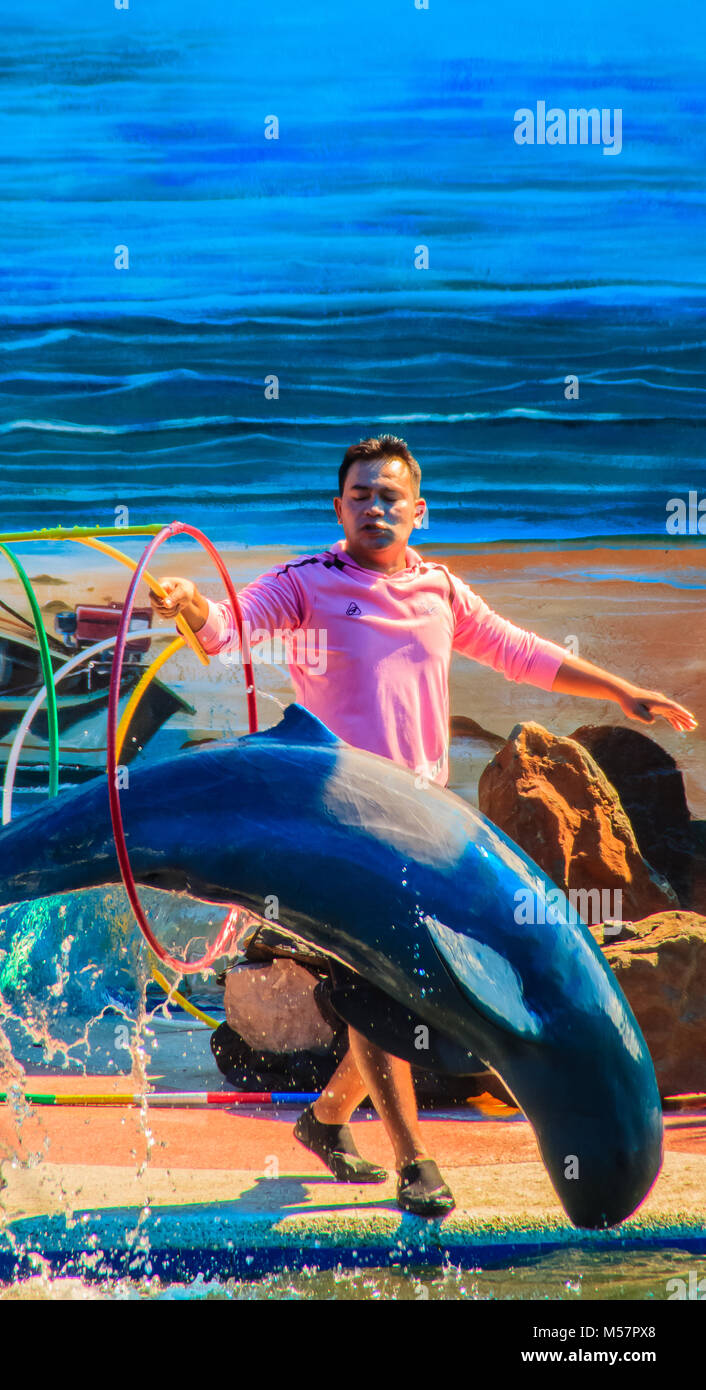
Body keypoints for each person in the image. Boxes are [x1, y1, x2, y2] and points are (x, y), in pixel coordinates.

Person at [148, 435, 697, 1217]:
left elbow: (521, 654)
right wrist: (188, 602)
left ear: (418, 511)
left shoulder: (438, 590)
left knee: (413, 987)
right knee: (381, 976)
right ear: (339, 508)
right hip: (337, 823)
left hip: (424, 820)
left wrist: (620, 692)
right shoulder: (307, 584)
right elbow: (229, 630)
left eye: (390, 496)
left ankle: (328, 1117)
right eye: (361, 495)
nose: (375, 507)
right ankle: (414, 1161)